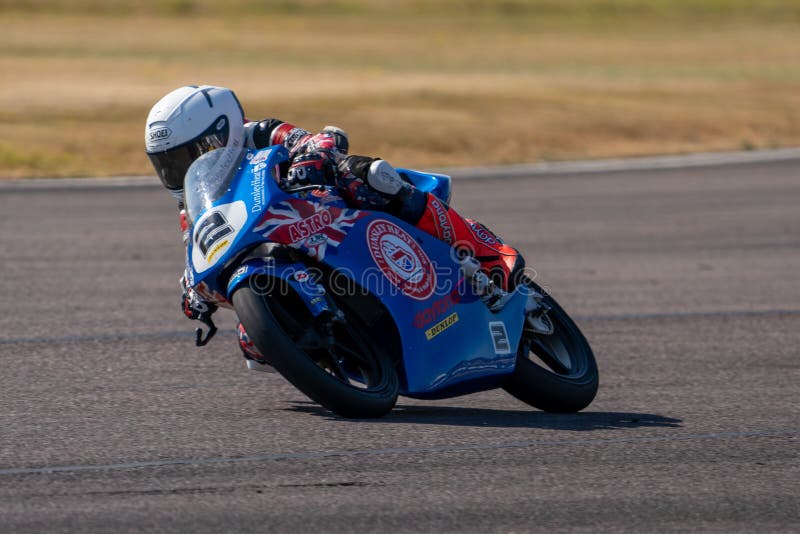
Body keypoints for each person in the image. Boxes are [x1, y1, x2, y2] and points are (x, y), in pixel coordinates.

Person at [145, 85, 529, 361]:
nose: (179, 171)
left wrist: (313, 156)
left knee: (371, 175)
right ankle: (348, 350)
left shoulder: (257, 132)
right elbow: (196, 248)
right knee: (254, 340)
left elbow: (317, 138)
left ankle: (485, 253)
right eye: (168, 164)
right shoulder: (197, 204)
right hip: (276, 249)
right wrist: (193, 292)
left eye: (187, 156)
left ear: (221, 131)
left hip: (321, 206)